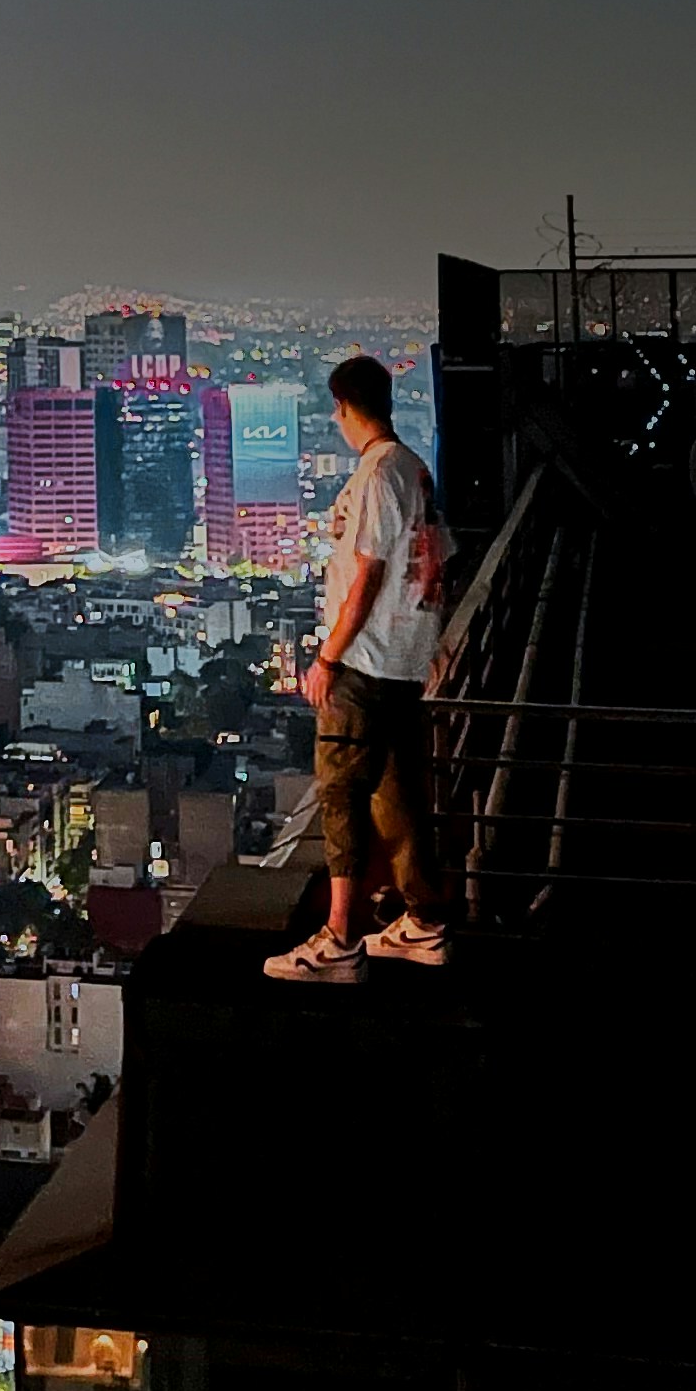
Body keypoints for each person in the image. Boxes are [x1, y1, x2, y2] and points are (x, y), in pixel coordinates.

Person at [264, 352, 450, 981]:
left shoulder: (376, 475)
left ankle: (340, 938)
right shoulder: (416, 470)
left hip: (365, 666)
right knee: (398, 796)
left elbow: (366, 577)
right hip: (404, 662)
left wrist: (325, 658)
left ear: (344, 409)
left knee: (341, 792)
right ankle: (423, 921)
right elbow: (430, 567)